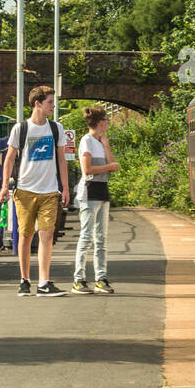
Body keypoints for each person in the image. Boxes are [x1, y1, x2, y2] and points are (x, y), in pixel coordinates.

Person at [0, 85, 70, 296]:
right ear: (37, 103)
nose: (53, 106)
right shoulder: (21, 129)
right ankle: (24, 279)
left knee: (46, 235)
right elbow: (9, 159)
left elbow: (62, 160)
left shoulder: (56, 128)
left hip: (49, 191)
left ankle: (44, 282)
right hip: (25, 191)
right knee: (25, 235)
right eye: (49, 102)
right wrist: (4, 186)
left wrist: (65, 188)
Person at [73, 107, 119, 294]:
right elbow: (87, 169)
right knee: (86, 237)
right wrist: (109, 166)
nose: (108, 122)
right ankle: (78, 279)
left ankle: (101, 278)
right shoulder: (86, 141)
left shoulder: (100, 142)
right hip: (89, 192)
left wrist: (106, 146)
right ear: (100, 122)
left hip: (102, 191)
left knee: (101, 239)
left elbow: (113, 165)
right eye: (106, 120)